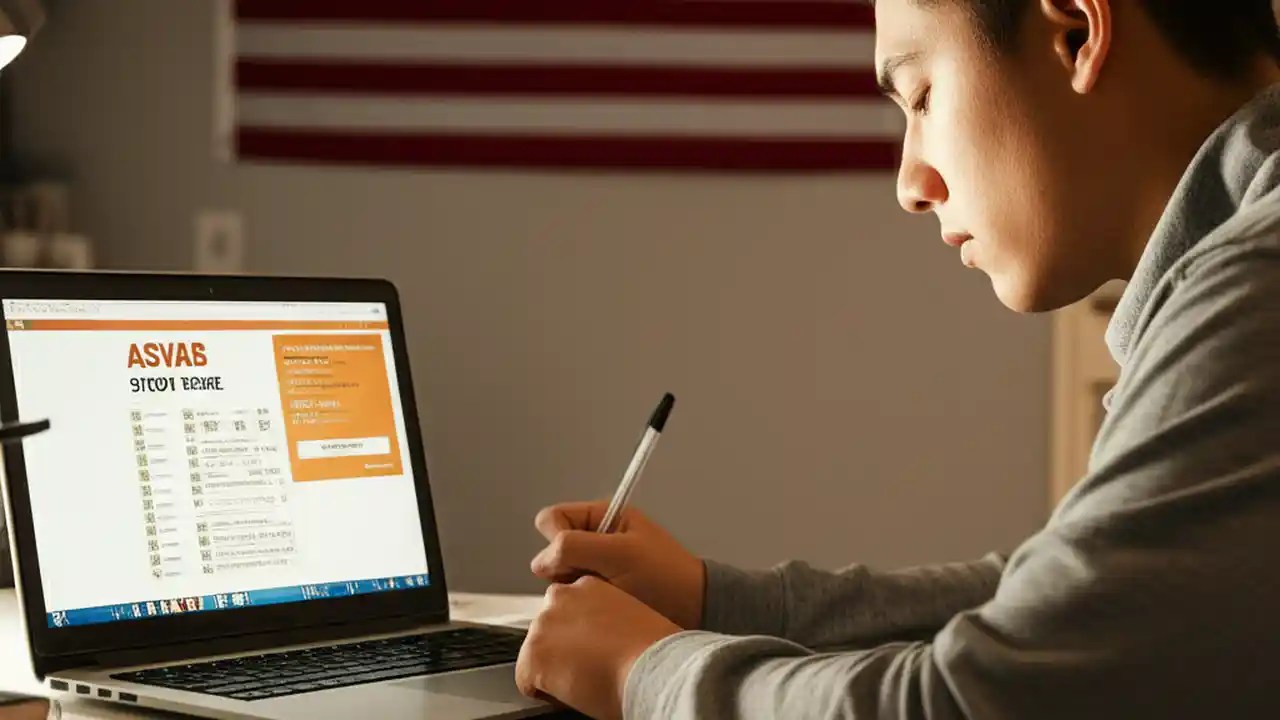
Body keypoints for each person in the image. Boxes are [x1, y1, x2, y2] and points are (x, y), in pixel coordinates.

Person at [514, 0, 1280, 718]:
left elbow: (986, 696)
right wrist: (715, 603)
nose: (911, 184)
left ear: (1076, 33)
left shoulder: (1257, 283)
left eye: (920, 96)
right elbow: (1073, 599)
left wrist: (646, 673)